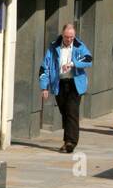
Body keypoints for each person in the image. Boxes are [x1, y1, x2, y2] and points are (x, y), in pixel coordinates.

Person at [39, 23, 93, 154]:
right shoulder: (53, 48)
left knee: (72, 112)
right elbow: (44, 68)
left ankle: (70, 142)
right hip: (59, 83)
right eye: (67, 37)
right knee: (65, 112)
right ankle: (67, 139)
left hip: (75, 83)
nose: (69, 40)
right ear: (62, 35)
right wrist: (44, 87)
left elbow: (89, 59)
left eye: (71, 37)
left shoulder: (79, 46)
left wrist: (73, 64)